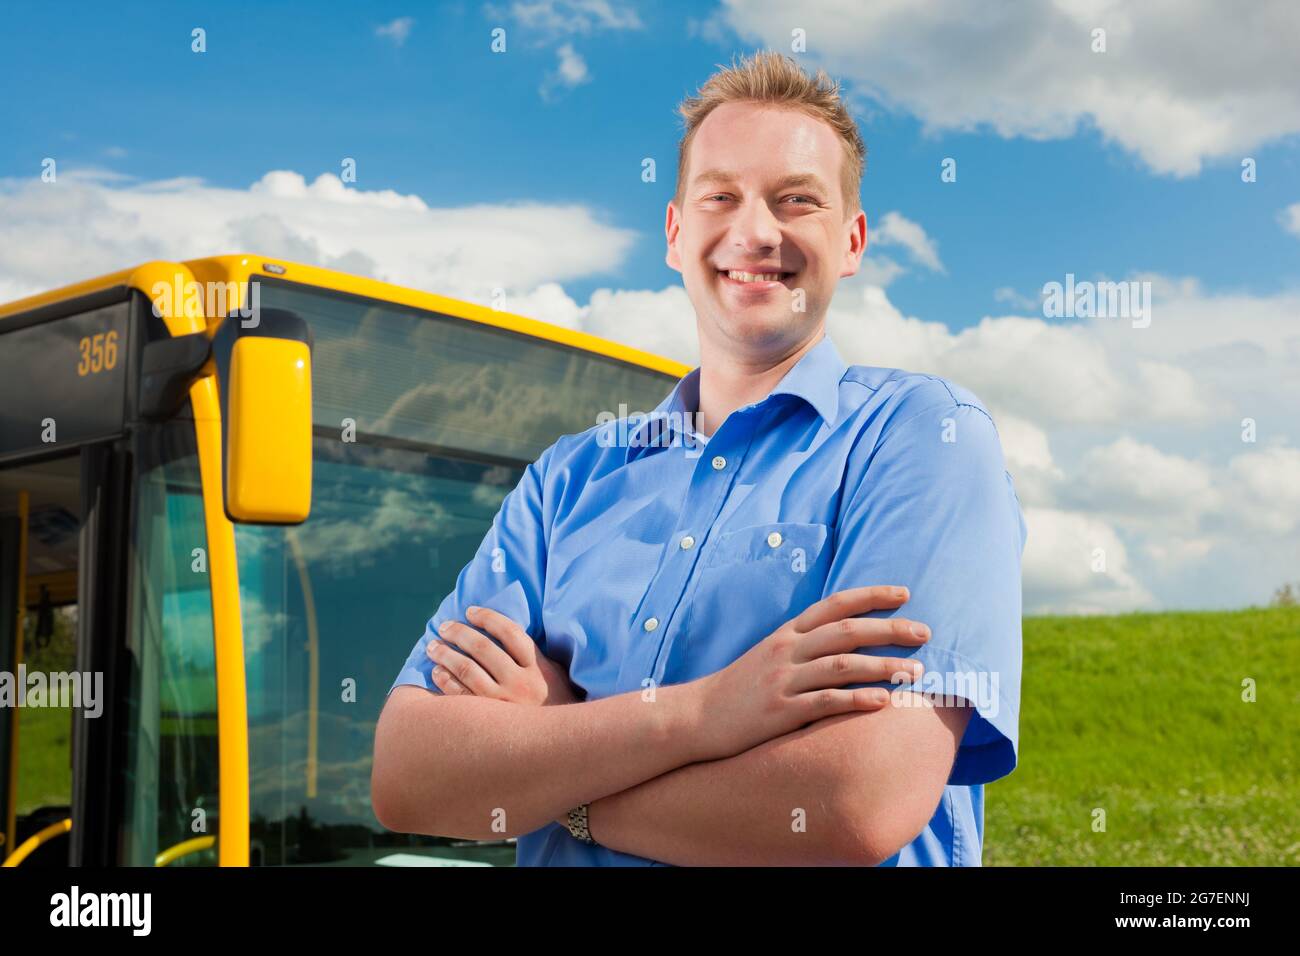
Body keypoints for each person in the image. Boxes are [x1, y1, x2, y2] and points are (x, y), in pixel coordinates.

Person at [372, 49, 1026, 866]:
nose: (755, 231)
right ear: (677, 234)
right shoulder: (565, 482)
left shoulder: (925, 437)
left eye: (797, 201)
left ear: (852, 241)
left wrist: (552, 770)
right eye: (721, 196)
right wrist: (705, 713)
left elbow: (852, 804)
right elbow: (410, 777)